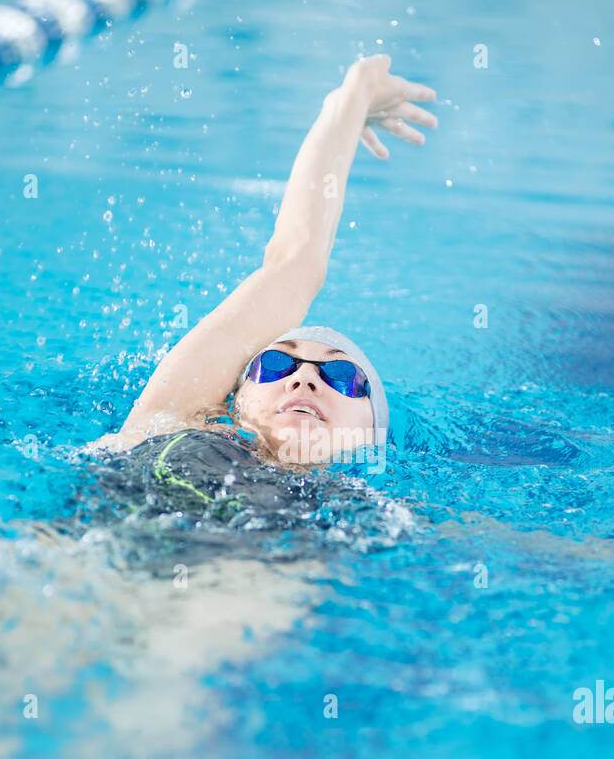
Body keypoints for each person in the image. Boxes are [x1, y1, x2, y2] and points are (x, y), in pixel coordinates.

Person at [90, 54, 437, 484]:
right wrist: (352, 98)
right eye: (275, 365)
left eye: (344, 377)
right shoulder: (166, 423)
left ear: (374, 434)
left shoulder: (376, 519)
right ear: (229, 403)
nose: (305, 378)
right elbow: (295, 264)